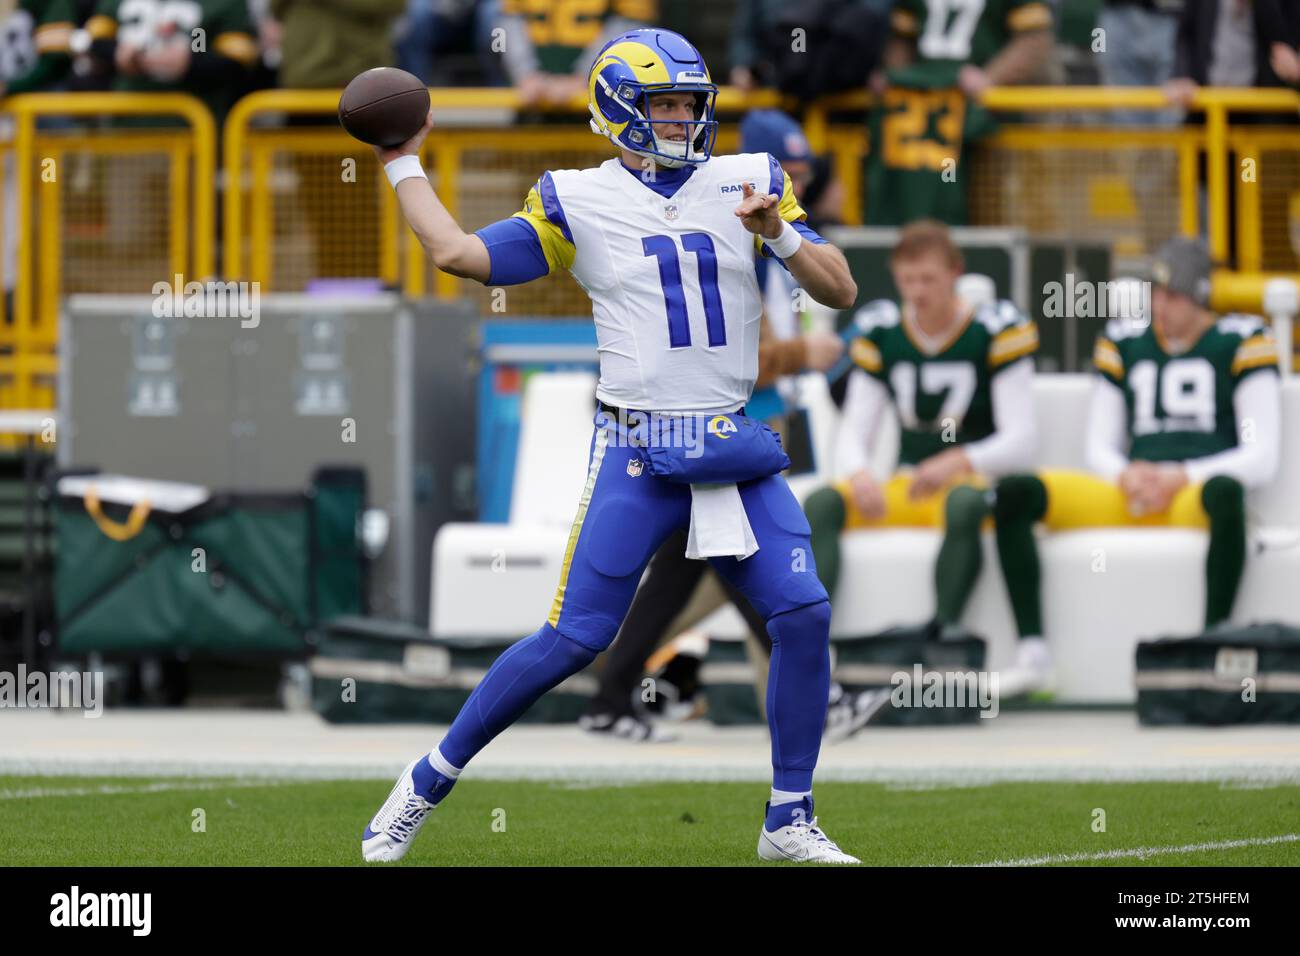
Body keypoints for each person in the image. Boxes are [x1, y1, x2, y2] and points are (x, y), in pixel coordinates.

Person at [361, 28, 861, 864]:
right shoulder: (576, 197)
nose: (680, 120)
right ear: (622, 110)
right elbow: (458, 254)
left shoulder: (750, 180)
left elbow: (840, 288)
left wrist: (778, 231)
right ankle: (425, 780)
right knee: (575, 638)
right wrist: (401, 161)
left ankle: (789, 818)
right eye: (664, 104)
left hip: (728, 441)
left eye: (690, 106)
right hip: (637, 447)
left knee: (803, 614)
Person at [994, 237, 1281, 693]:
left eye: (1173, 296)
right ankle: (1033, 653)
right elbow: (1099, 446)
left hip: (1193, 495)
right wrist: (1126, 474)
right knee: (1016, 493)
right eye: (1155, 293)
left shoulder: (1242, 340)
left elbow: (1261, 455)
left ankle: (1212, 644)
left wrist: (1182, 475)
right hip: (1131, 491)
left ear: (1201, 296)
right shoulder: (1126, 341)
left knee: (1226, 492)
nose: (1159, 305)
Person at [802, 220, 1039, 724]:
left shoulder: (994, 329)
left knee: (964, 503)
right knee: (822, 502)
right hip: (910, 481)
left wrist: (959, 461)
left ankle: (943, 636)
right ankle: (812, 647)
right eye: (909, 280)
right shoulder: (885, 330)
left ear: (956, 273)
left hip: (972, 479)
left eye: (929, 280)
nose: (918, 292)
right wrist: (861, 473)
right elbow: (855, 429)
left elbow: (1022, 438)